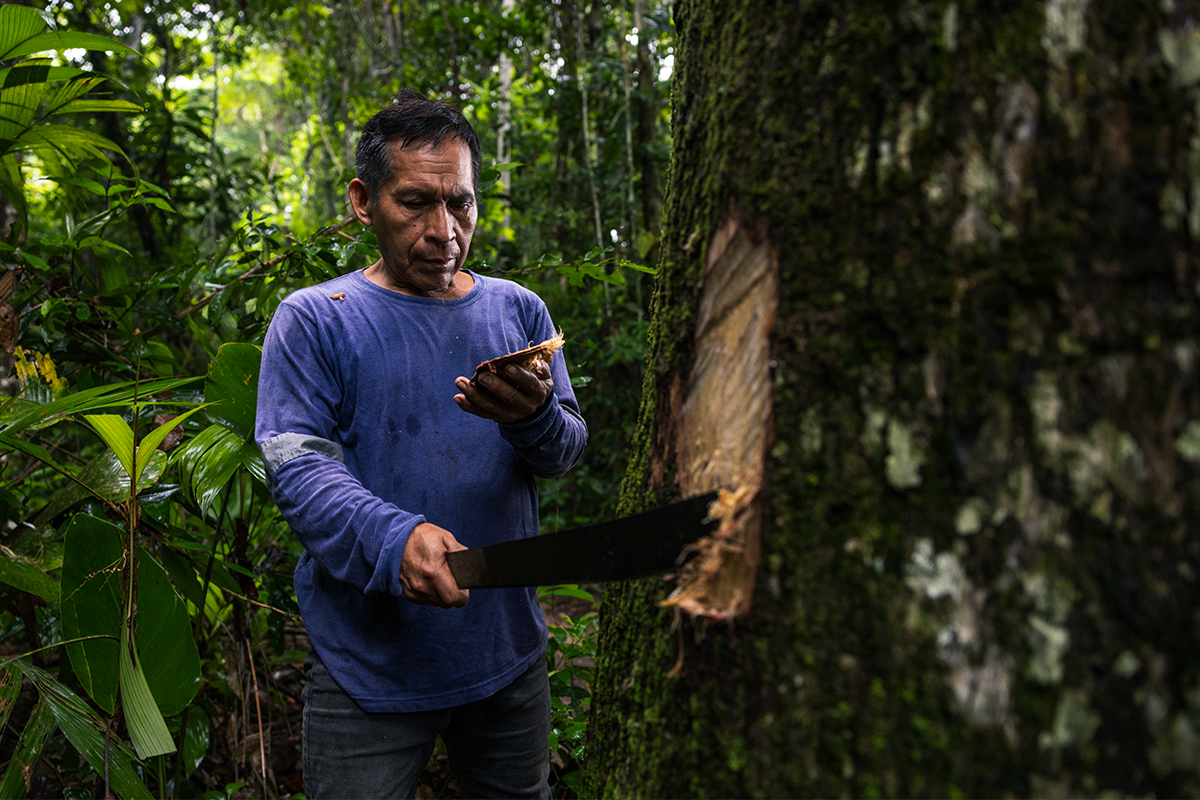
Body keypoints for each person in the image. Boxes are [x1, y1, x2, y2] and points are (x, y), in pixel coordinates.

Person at [254, 89, 587, 799]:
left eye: (459, 203)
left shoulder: (517, 311)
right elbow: (298, 466)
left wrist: (532, 419)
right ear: (362, 201)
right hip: (366, 667)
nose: (444, 231)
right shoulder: (315, 320)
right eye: (415, 203)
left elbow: (561, 455)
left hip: (506, 656)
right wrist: (393, 540)